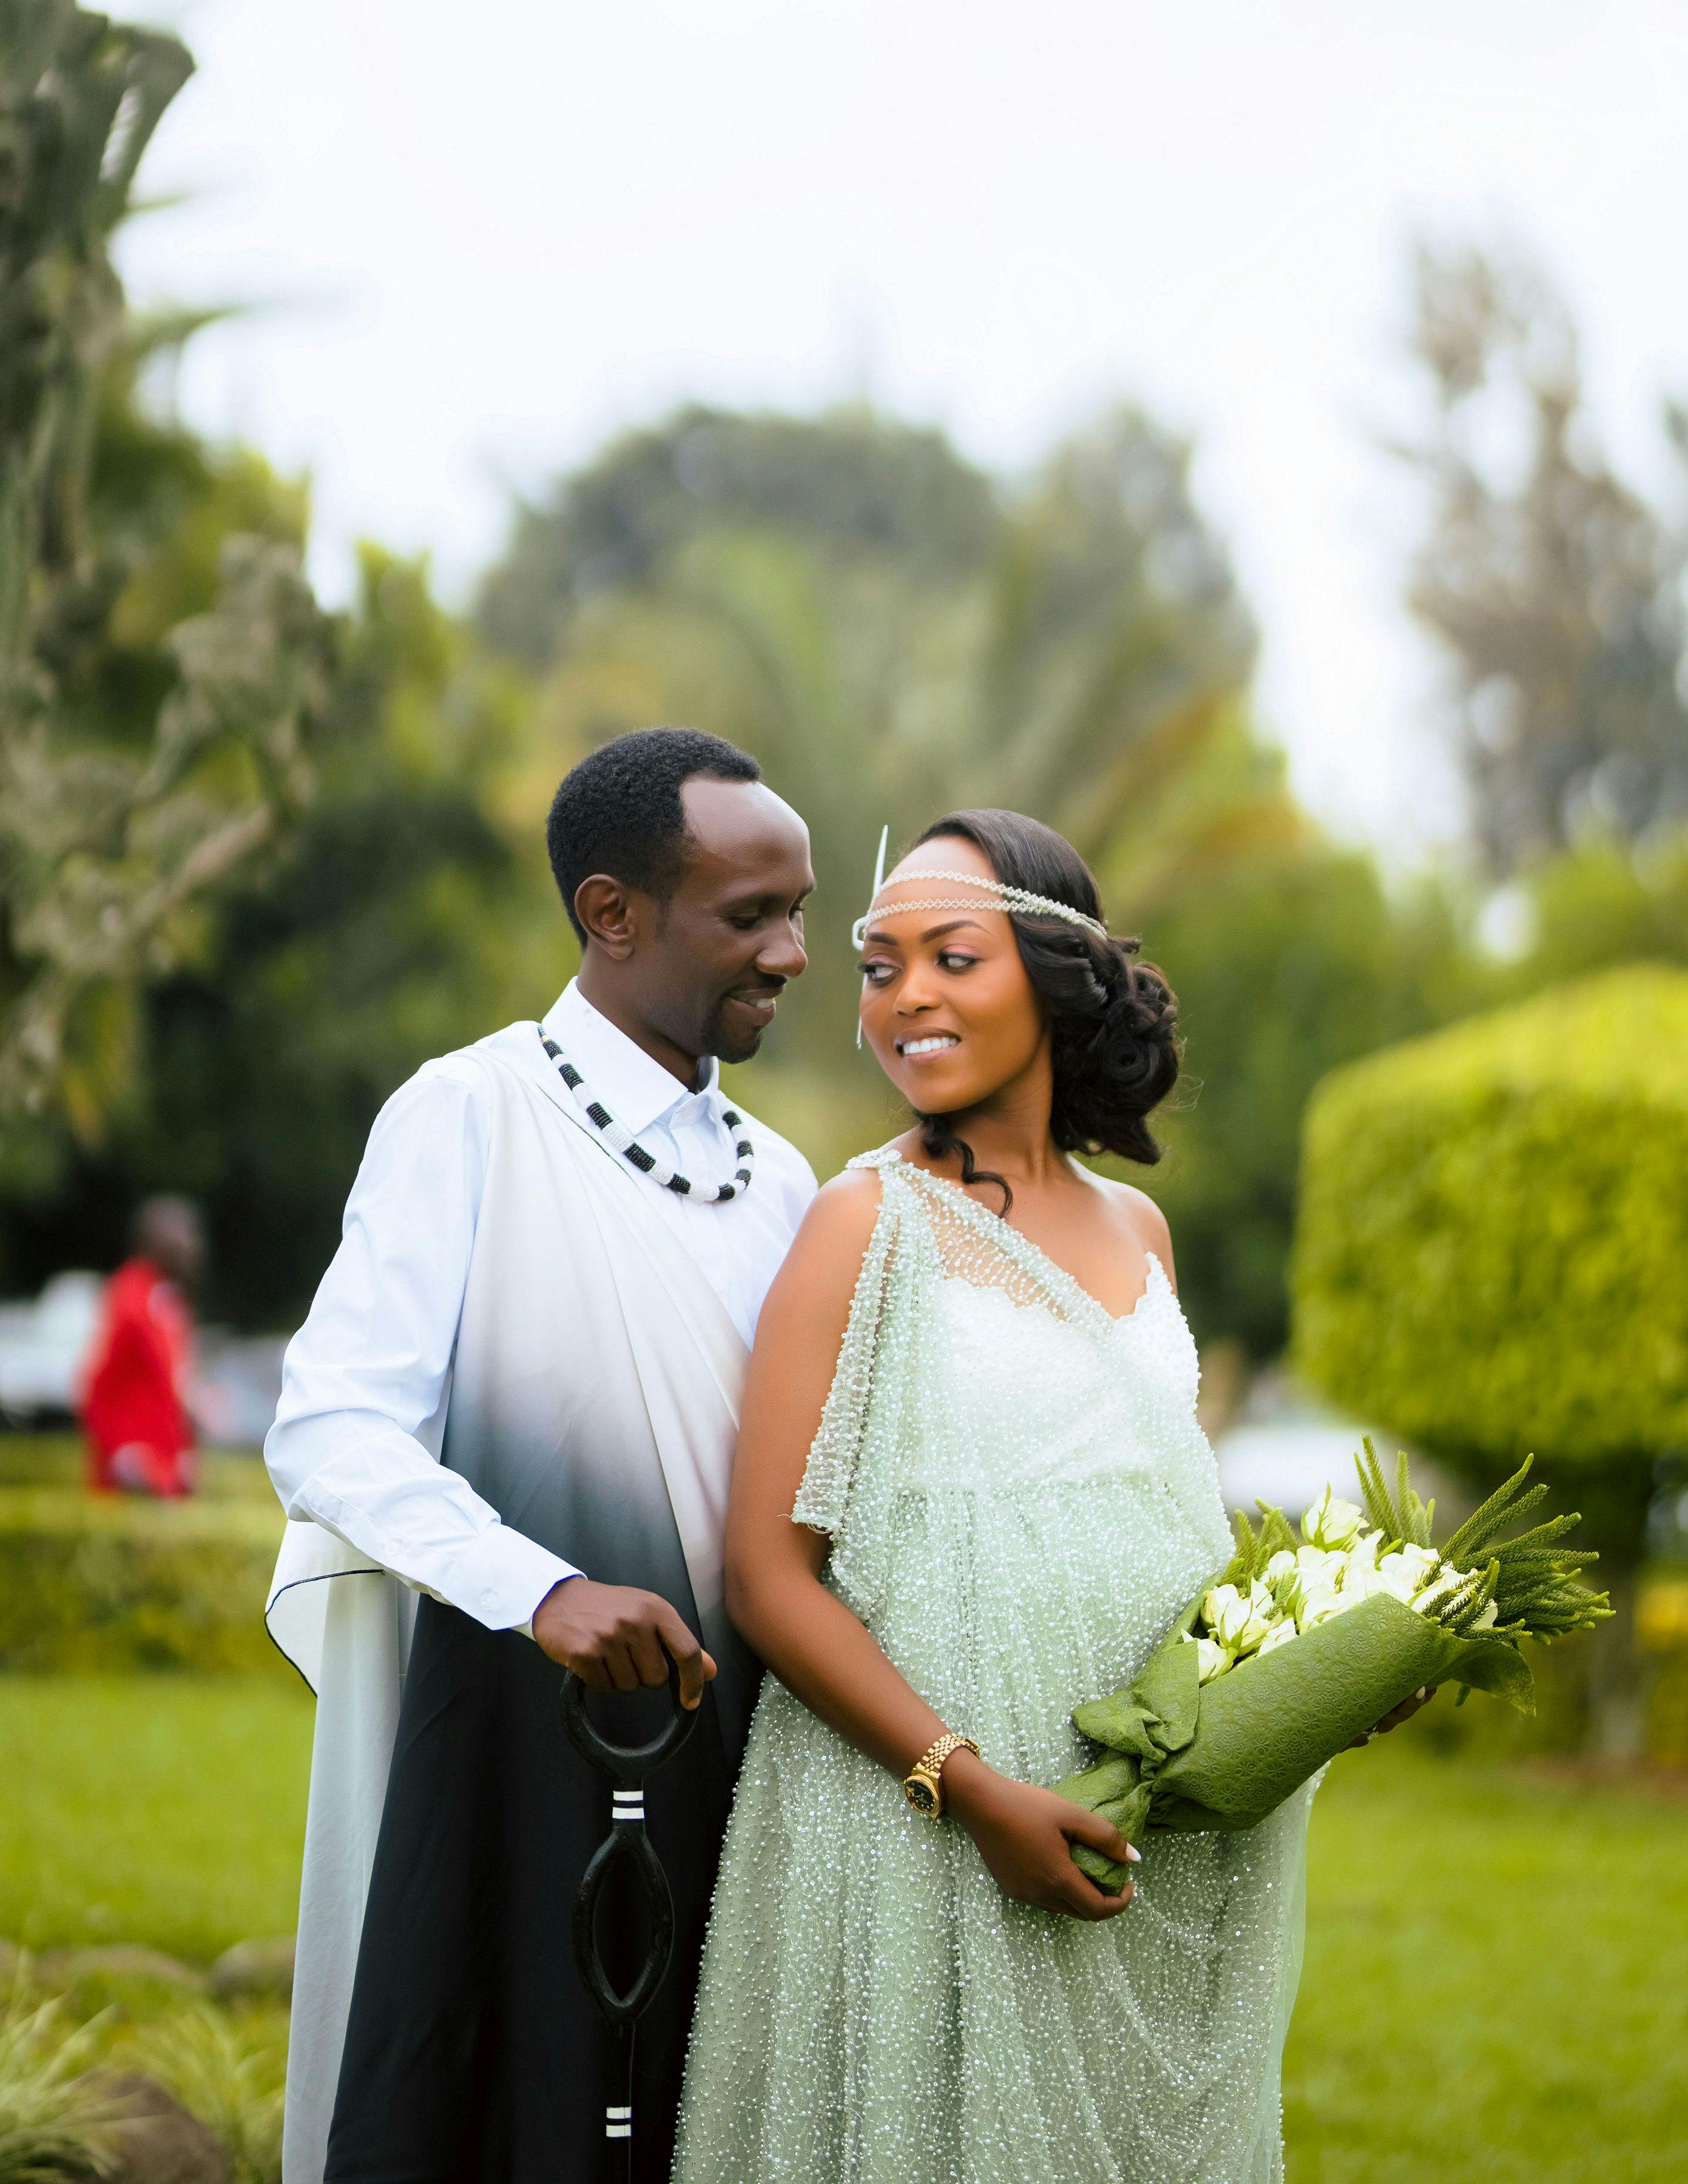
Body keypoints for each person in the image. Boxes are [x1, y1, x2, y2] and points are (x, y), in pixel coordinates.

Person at [675, 810, 1429, 2184]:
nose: (905, 996)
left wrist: (1320, 1676)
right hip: (923, 1837)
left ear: (1052, 972)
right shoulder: (862, 1224)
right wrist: (965, 1789)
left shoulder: (1140, 1230)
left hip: (1141, 1826)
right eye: (879, 964)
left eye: (950, 956)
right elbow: (769, 1577)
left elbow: (1154, 1527)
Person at [262, 727, 817, 2184]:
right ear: (611, 912)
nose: (796, 952)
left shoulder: (788, 1187)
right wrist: (543, 1586)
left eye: (799, 911)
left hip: (739, 1767)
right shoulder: (468, 1112)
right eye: (749, 915)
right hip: (511, 1746)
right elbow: (329, 1421)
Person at [81, 1196, 204, 1497]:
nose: (193, 1245)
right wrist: (122, 1450)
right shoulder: (130, 1293)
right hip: (136, 1466)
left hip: (165, 1465)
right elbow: (98, 1380)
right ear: (155, 1240)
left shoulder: (168, 1298)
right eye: (183, 1234)